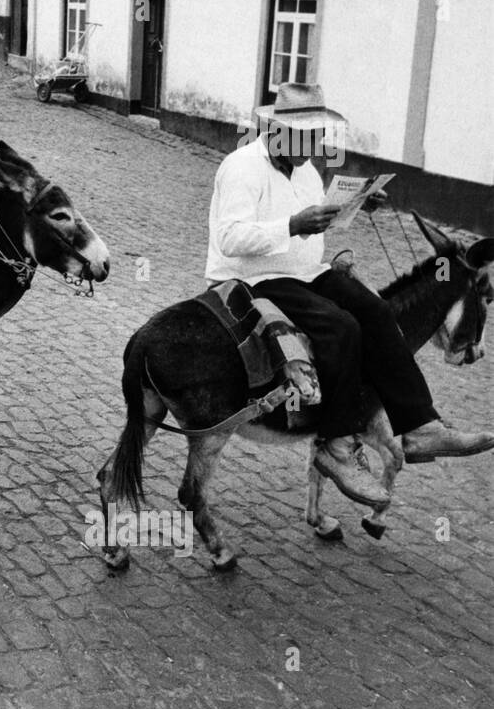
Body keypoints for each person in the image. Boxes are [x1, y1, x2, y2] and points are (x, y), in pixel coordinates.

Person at [208, 83, 494, 504]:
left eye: (317, 136)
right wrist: (292, 224)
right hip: (255, 277)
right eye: (305, 137)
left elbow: (313, 221)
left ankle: (420, 427)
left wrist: (352, 206)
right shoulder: (240, 167)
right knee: (341, 327)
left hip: (306, 270)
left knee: (377, 311)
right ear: (275, 130)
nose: (313, 146)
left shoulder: (304, 169)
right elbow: (230, 239)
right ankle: (335, 445)